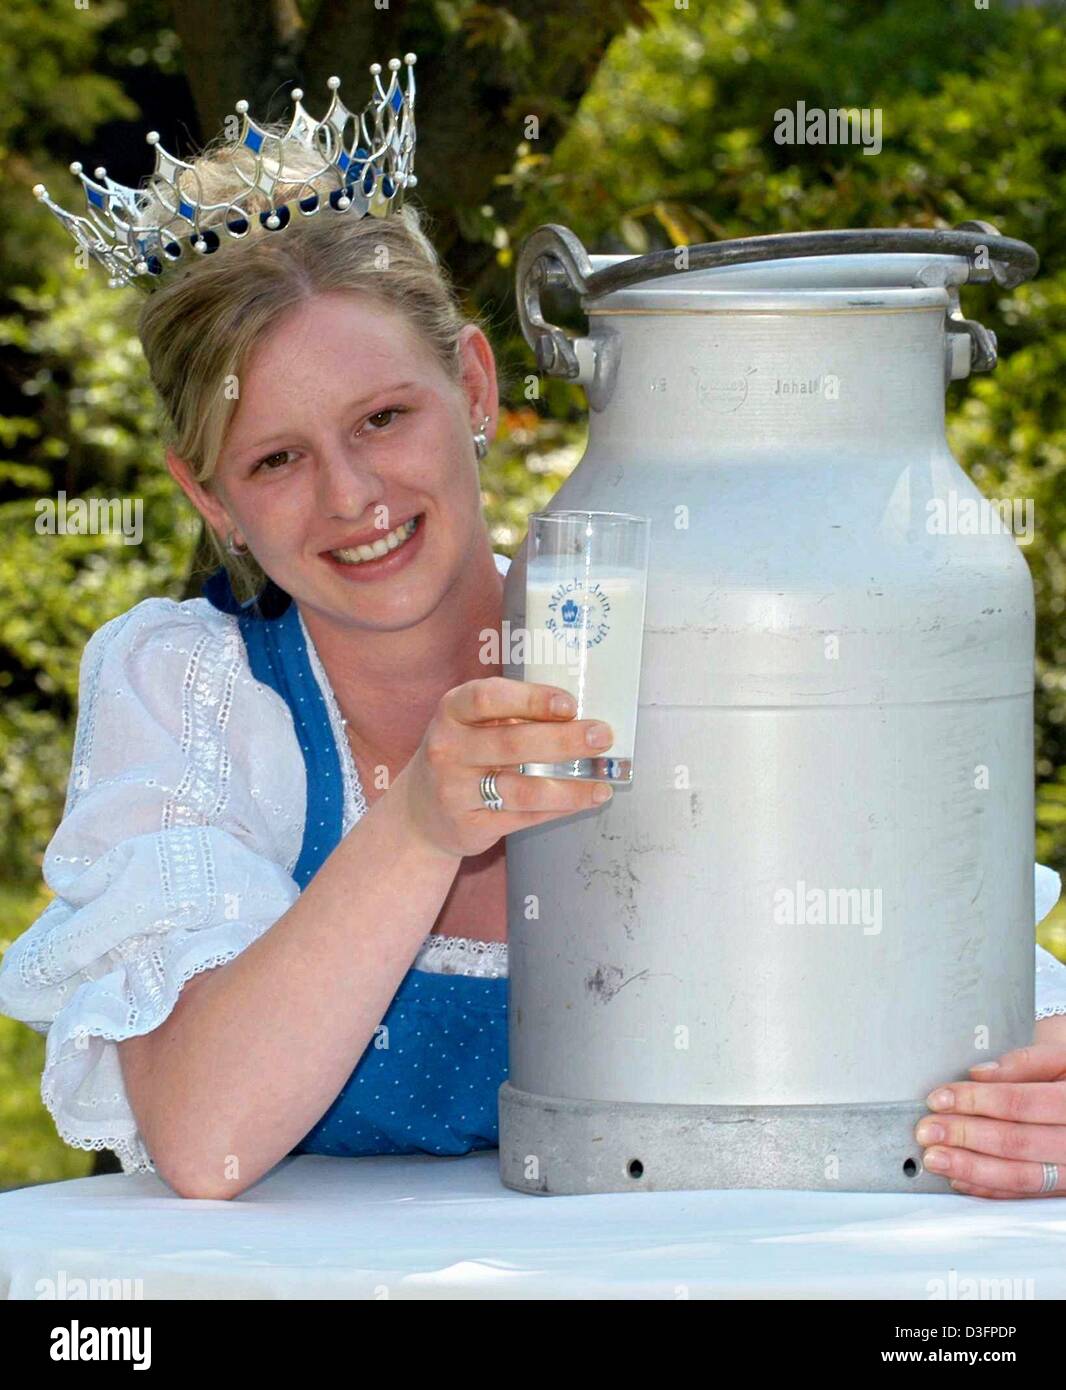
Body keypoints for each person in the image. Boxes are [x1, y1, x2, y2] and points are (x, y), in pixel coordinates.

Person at [3, 62, 1066, 1204]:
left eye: (383, 417)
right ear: (211, 499)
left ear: (472, 383)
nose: (351, 493)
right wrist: (416, 825)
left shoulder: (691, 647)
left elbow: (947, 994)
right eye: (275, 458)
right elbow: (207, 1143)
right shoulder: (199, 692)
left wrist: (1035, 1102)